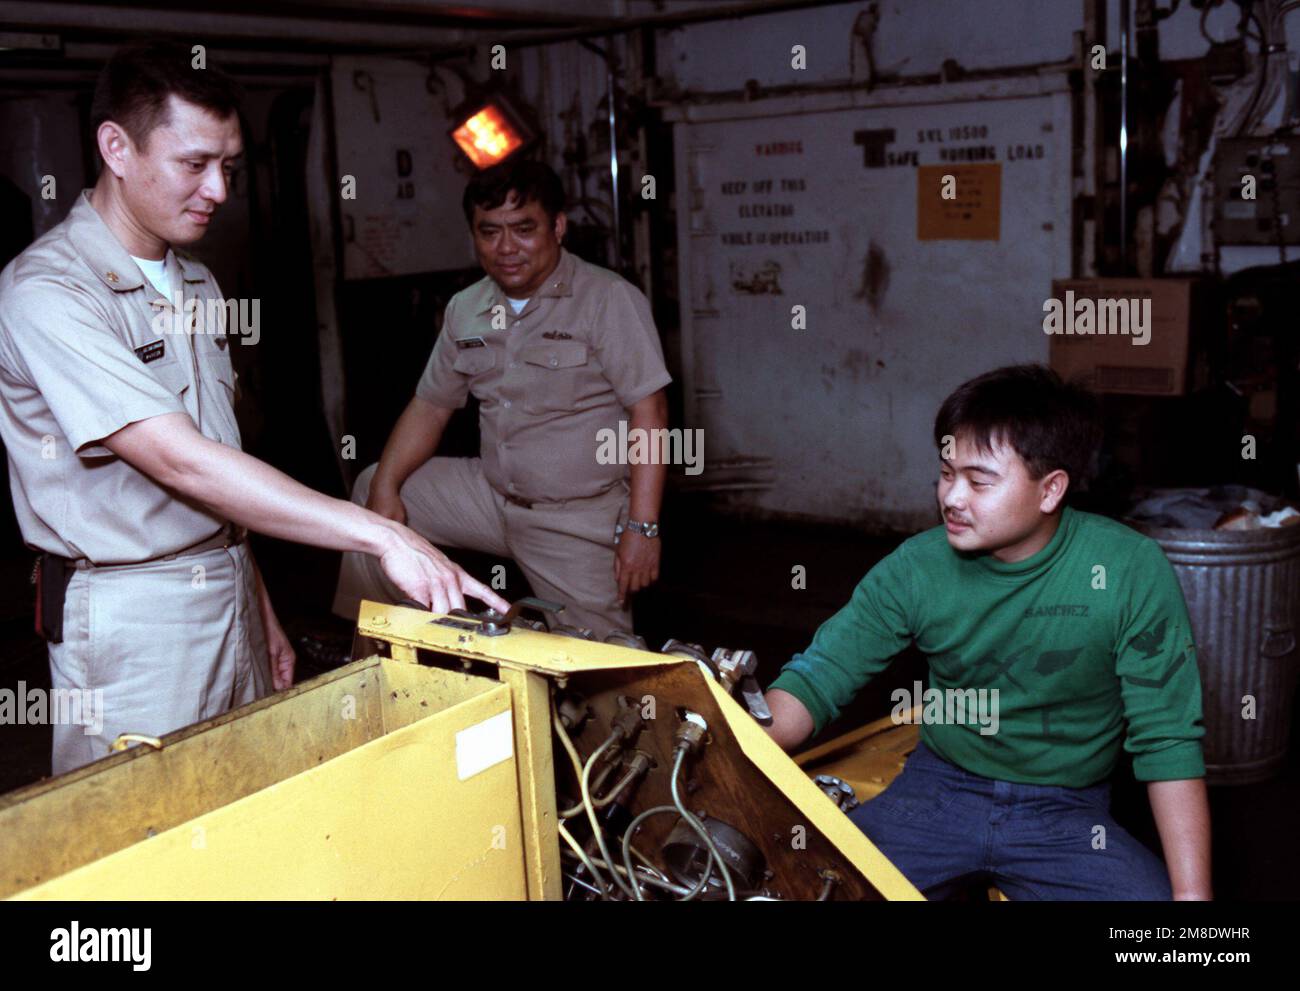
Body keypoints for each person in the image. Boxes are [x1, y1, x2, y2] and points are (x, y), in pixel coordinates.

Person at [0, 40, 506, 775]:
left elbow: (220, 468)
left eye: (230, 168)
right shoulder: (49, 292)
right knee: (141, 838)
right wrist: (379, 535)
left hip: (226, 587)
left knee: (240, 805)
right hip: (132, 618)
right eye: (195, 164)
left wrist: (258, 604)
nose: (219, 191)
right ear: (116, 146)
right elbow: (177, 457)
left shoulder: (199, 285)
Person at [763, 365, 1211, 900]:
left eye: (979, 481)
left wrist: (1192, 906)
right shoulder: (917, 567)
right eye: (946, 472)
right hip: (941, 789)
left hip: (1067, 809)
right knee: (809, 889)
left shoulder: (1129, 569)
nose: (951, 497)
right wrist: (736, 736)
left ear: (1050, 490)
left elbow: (1169, 742)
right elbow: (823, 675)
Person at [332, 159, 671, 638]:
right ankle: (379, 644)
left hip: (575, 515)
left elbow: (650, 411)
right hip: (491, 497)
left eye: (523, 229)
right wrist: (387, 488)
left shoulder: (608, 300)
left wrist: (643, 528)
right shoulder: (466, 308)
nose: (506, 248)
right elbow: (430, 405)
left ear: (557, 226)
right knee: (374, 488)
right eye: (489, 232)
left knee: (603, 671)